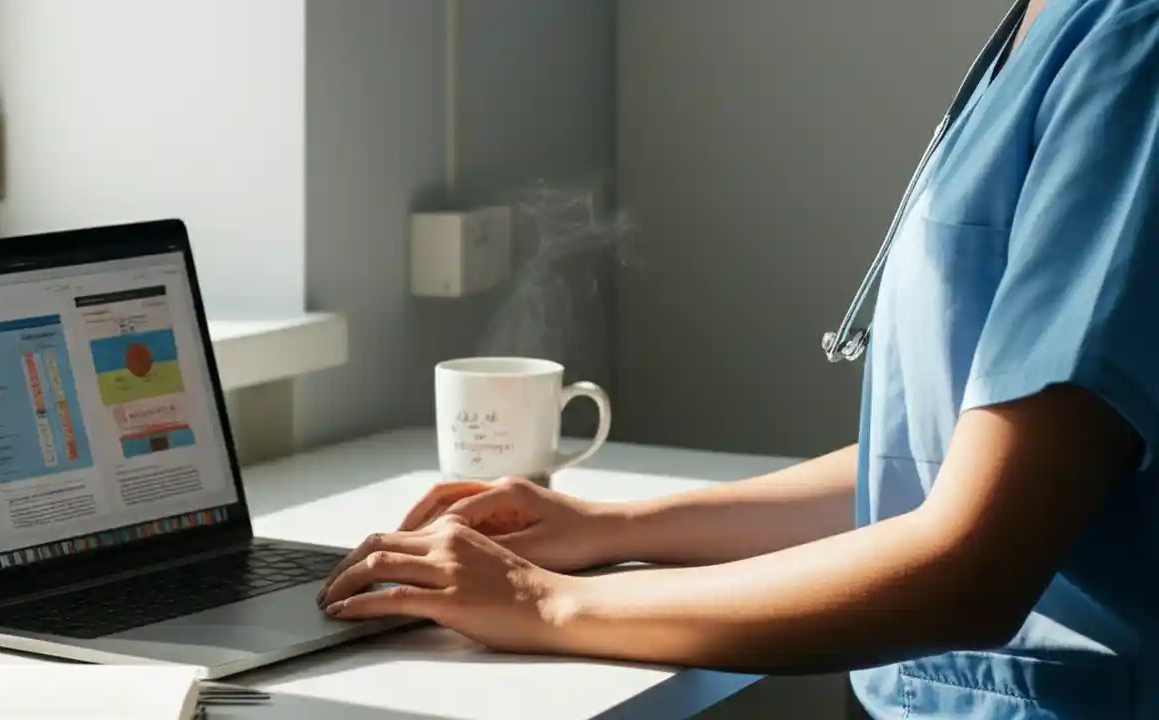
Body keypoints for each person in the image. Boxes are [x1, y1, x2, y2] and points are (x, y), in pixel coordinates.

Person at [318, 0, 1159, 716]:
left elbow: (975, 562)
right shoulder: (1046, 25)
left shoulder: (1134, 53)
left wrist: (550, 602)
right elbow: (936, 469)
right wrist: (607, 529)